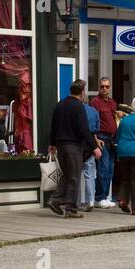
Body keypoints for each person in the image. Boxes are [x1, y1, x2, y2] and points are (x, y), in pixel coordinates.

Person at [48, 80, 101, 217]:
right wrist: (94, 147)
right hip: (73, 147)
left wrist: (52, 144)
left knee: (67, 175)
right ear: (82, 92)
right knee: (74, 177)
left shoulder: (60, 105)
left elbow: (53, 127)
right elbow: (84, 130)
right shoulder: (78, 107)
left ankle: (55, 200)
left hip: (60, 147)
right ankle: (70, 209)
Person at [89, 77, 120, 209]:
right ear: (99, 87)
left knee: (110, 170)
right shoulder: (95, 102)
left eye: (107, 86)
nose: (104, 89)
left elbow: (115, 119)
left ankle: (106, 197)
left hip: (113, 139)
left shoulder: (113, 102)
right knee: (103, 168)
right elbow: (92, 121)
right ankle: (99, 198)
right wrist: (95, 139)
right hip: (102, 138)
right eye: (102, 86)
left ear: (110, 87)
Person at [79, 100, 101, 213]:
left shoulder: (76, 110)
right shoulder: (94, 111)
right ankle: (91, 200)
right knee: (90, 174)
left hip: (77, 142)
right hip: (90, 143)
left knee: (75, 173)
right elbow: (97, 128)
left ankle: (77, 201)